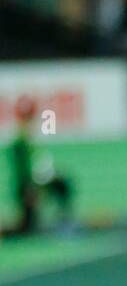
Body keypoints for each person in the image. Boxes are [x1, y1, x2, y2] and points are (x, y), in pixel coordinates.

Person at [4, 96, 75, 237]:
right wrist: (30, 188)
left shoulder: (27, 137)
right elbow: (22, 171)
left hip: (38, 183)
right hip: (29, 186)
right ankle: (63, 222)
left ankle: (63, 221)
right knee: (26, 229)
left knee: (62, 186)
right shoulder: (20, 141)